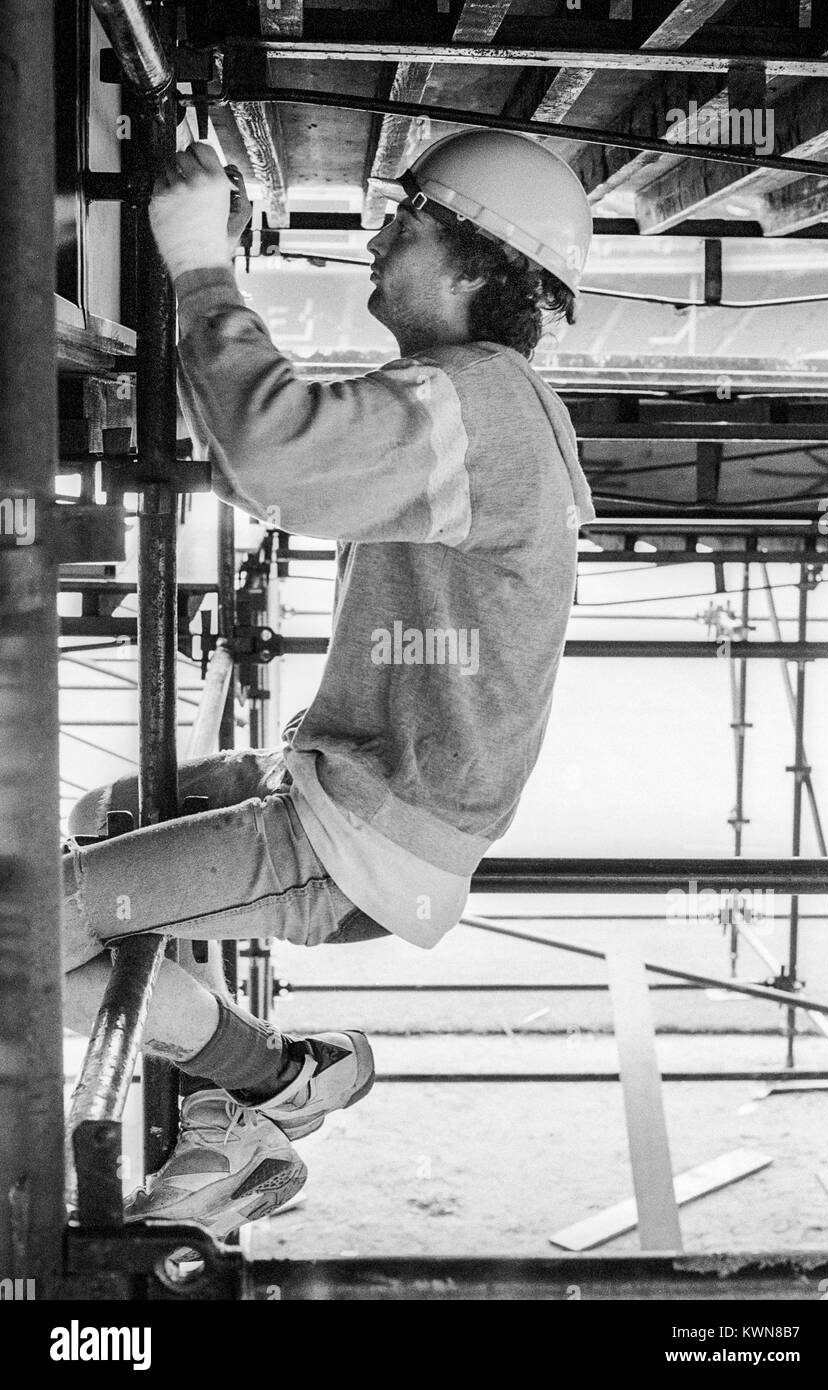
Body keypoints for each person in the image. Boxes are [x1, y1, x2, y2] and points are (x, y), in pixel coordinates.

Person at [62, 130, 596, 1238]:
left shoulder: (480, 402)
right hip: (338, 788)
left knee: (18, 933)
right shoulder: (488, 399)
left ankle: (266, 1092)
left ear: (480, 265)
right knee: (100, 819)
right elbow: (293, 456)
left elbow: (275, 453)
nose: (380, 233)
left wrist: (201, 260)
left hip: (357, 836)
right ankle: (266, 1084)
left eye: (409, 217)